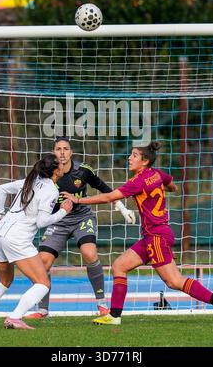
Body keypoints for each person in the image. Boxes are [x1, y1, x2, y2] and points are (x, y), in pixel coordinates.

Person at [62, 141, 213, 325]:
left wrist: (78, 201)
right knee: (119, 266)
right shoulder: (156, 174)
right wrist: (170, 189)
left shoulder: (138, 182)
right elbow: (170, 183)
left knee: (174, 281)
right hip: (153, 235)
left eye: (134, 155)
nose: (129, 158)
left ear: (144, 161)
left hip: (156, 237)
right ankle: (114, 316)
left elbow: (109, 197)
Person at [26, 137, 135, 319]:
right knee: (43, 261)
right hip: (57, 221)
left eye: (65, 149)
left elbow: (104, 188)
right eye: (58, 149)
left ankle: (102, 304)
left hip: (82, 218)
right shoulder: (45, 174)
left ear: (71, 152)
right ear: (54, 152)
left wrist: (122, 208)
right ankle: (42, 310)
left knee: (90, 253)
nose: (62, 152)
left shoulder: (83, 171)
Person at [0, 153, 72, 330]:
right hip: (17, 239)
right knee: (43, 283)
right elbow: (41, 222)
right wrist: (63, 211)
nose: (63, 165)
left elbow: (1, 189)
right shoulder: (51, 190)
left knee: (4, 281)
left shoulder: (30, 180)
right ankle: (15, 317)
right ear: (55, 171)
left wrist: (0, 215)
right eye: (60, 164)